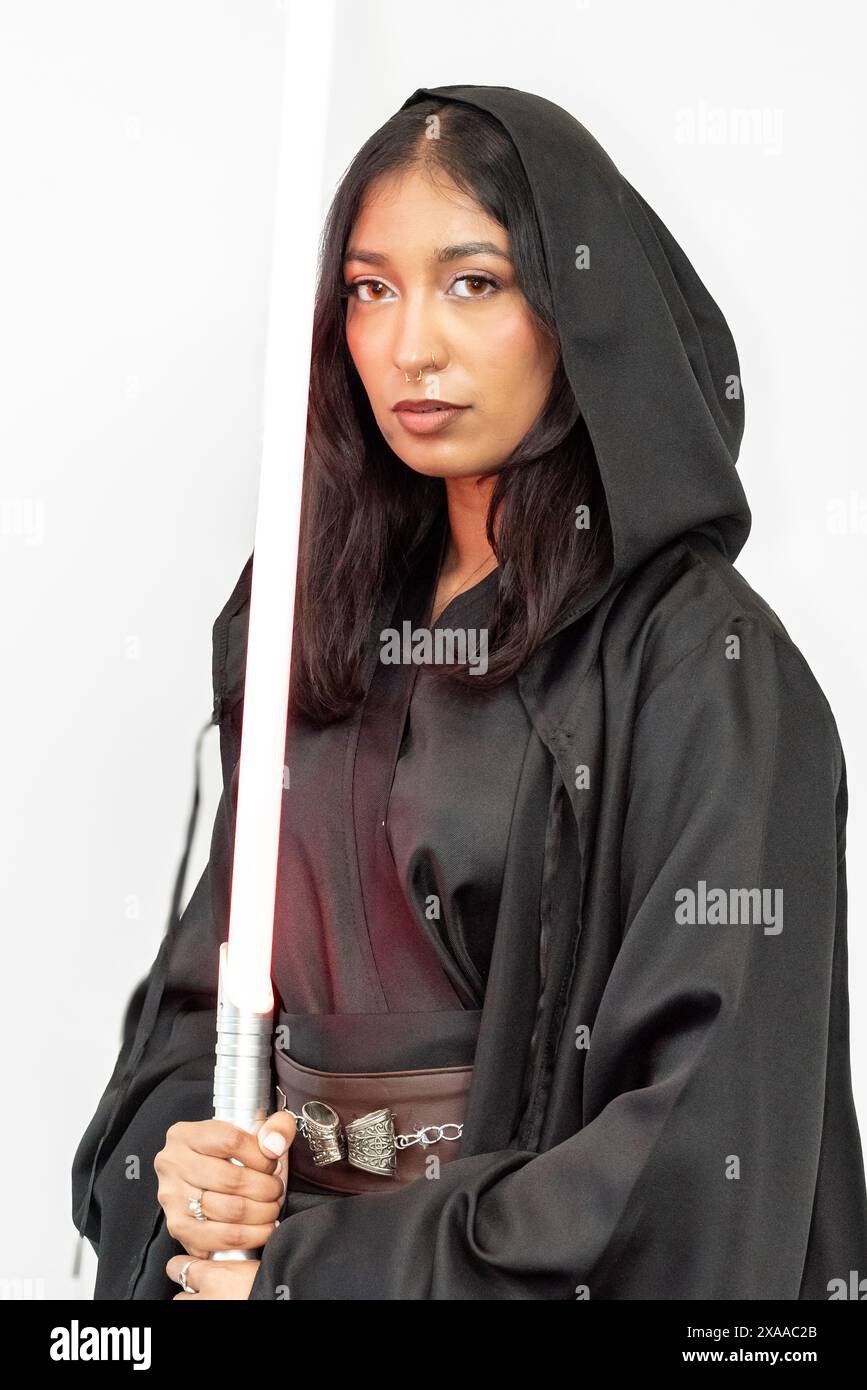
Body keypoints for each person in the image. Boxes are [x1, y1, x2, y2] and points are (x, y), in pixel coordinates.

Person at [72, 83, 867, 1300]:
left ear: (575, 309)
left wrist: (323, 1279)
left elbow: (695, 1142)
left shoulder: (706, 669)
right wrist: (188, 1168)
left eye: (474, 282)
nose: (411, 346)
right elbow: (196, 1013)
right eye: (371, 288)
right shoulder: (314, 625)